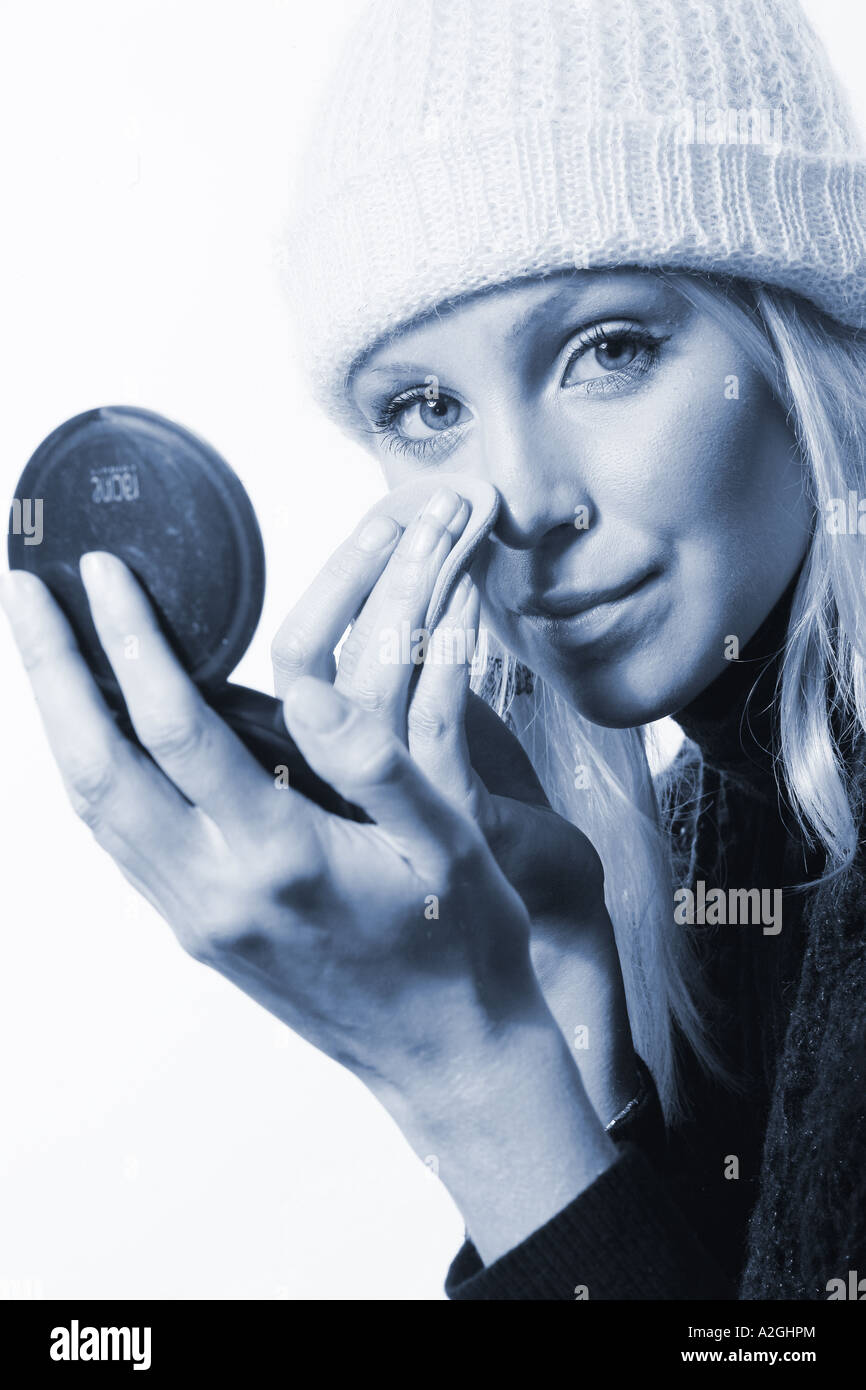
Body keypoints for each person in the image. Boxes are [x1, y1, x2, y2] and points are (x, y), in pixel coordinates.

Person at [3, 0, 866, 1300]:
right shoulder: (720, 846)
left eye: (607, 349)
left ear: (799, 337)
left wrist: (467, 1075)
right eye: (426, 407)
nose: (519, 501)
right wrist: (570, 990)